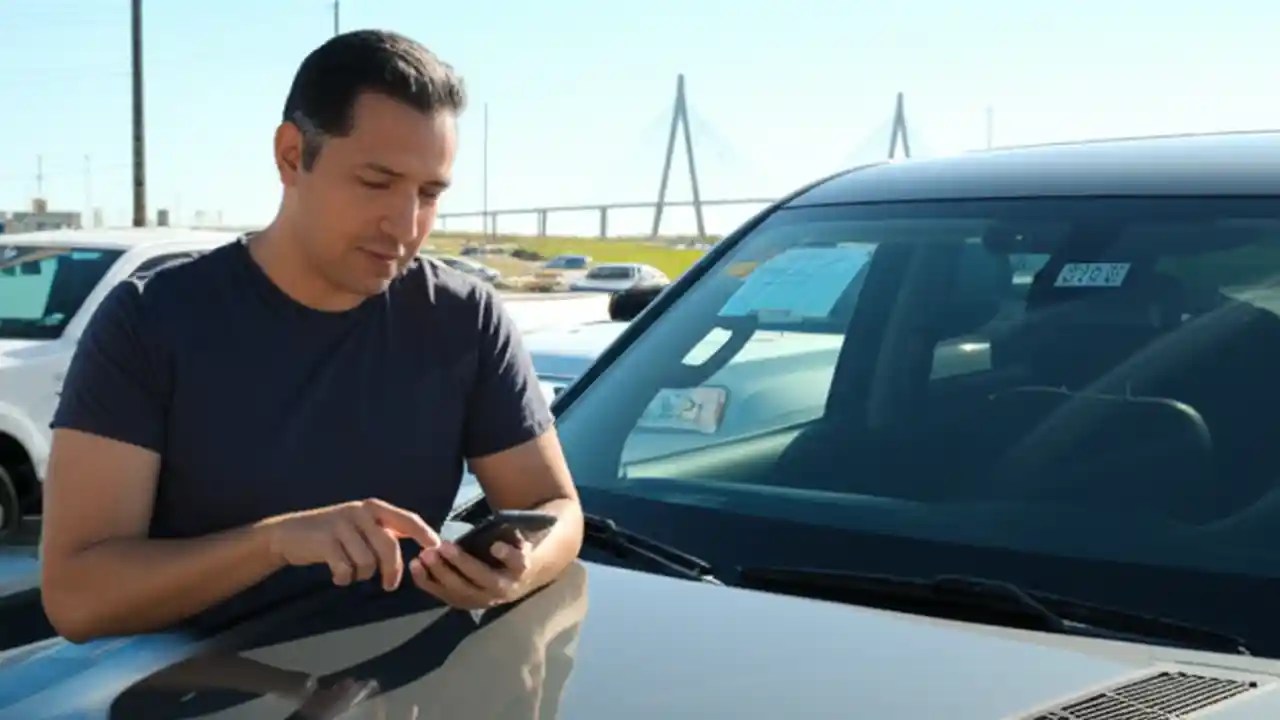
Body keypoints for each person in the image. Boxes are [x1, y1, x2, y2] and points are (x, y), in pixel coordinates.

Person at [39, 29, 584, 643]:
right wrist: (273, 544)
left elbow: (557, 511)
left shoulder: (465, 317)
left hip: (407, 690)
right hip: (194, 691)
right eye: (377, 182)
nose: (406, 226)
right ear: (291, 156)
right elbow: (76, 598)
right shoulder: (149, 320)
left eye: (429, 194)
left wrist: (517, 572)